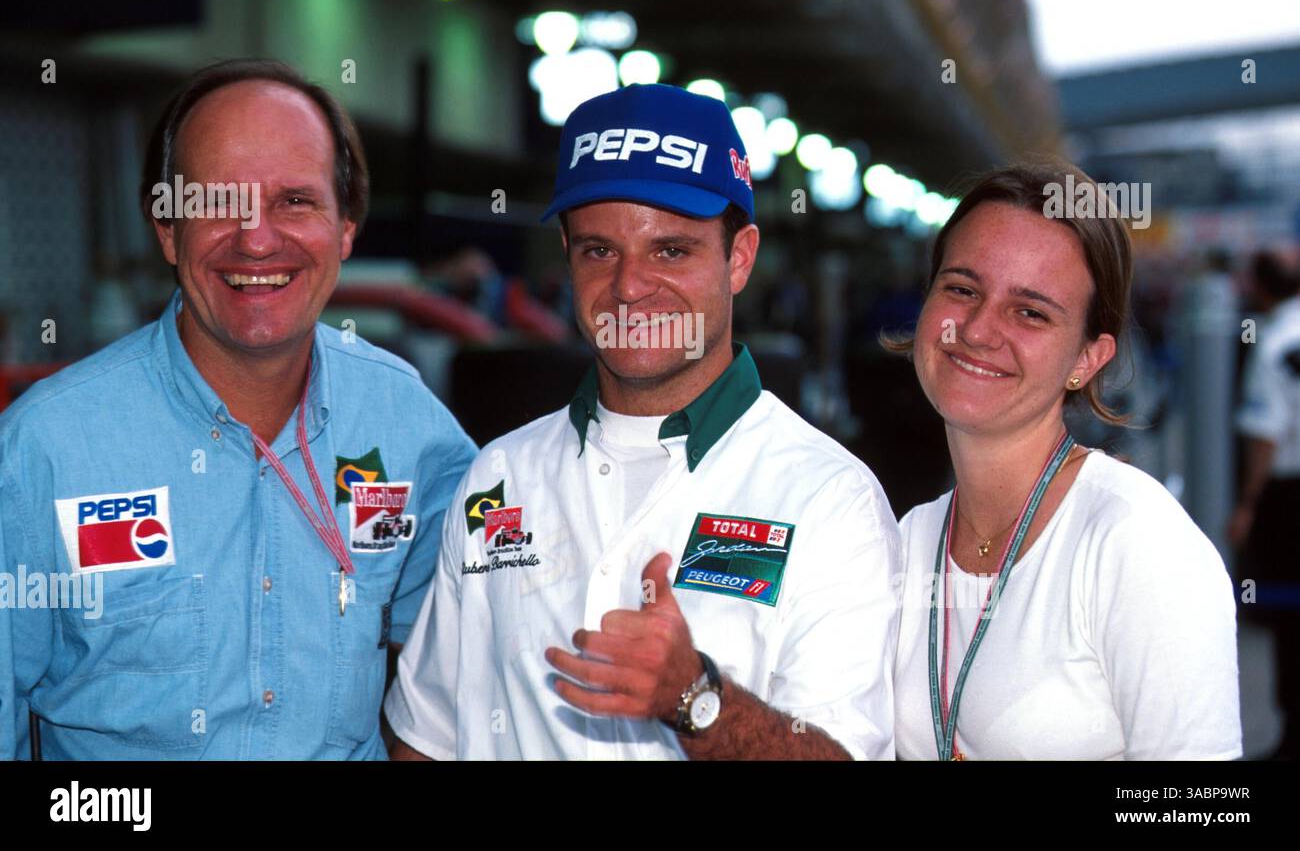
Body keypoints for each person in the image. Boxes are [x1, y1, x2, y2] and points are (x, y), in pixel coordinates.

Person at [384, 83, 901, 760]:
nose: (629, 287)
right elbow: (425, 737)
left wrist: (696, 700)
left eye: (671, 251)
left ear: (738, 257)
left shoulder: (830, 499)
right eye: (599, 251)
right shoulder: (500, 477)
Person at [0, 59, 477, 759]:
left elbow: (476, 662)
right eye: (219, 202)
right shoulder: (46, 448)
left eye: (295, 202)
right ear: (167, 230)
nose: (256, 239)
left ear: (346, 228)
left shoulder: (408, 426)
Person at [886, 162, 1241, 760]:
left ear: (1088, 357)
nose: (977, 329)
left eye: (1030, 313)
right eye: (963, 289)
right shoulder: (906, 537)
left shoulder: (1134, 541)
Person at [1232, 249, 1300, 759]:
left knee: (1285, 612)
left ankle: (1293, 728)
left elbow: (1265, 433)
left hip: (1286, 497)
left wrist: (1248, 503)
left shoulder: (1272, 340)